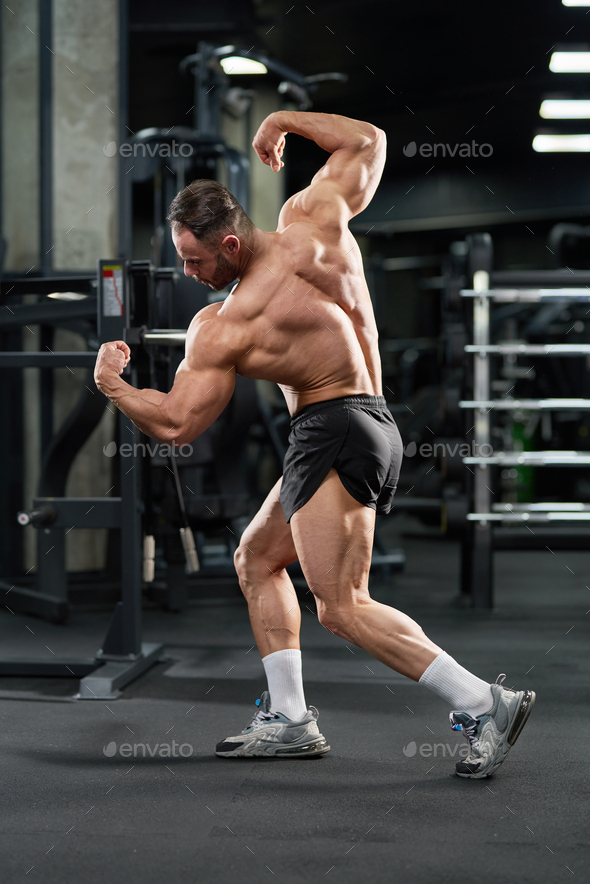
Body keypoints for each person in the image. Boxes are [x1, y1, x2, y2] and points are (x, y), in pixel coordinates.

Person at [94, 111, 535, 778]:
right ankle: (291, 717)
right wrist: (281, 123)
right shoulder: (317, 215)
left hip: (330, 429)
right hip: (370, 419)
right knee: (257, 558)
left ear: (232, 247)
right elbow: (368, 141)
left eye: (195, 259)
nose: (187, 273)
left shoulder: (225, 324)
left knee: (340, 605)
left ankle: (483, 703)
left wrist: (113, 385)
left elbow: (180, 423)